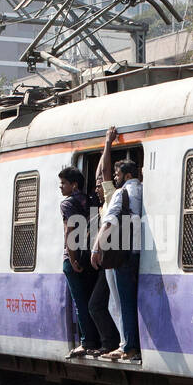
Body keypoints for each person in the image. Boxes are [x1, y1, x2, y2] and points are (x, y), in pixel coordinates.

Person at [92, 156, 143, 362]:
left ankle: (128, 346)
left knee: (124, 302)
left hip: (122, 254)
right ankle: (132, 344)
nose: (115, 177)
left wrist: (97, 247)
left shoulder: (121, 193)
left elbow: (110, 220)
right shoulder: (142, 190)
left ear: (127, 176)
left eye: (118, 174)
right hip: (138, 253)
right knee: (131, 300)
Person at [59, 166, 103, 358]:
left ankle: (87, 342)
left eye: (63, 183)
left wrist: (72, 258)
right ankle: (98, 339)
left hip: (75, 258)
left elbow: (70, 231)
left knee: (80, 302)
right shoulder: (92, 200)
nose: (60, 187)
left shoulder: (67, 204)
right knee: (90, 299)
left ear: (74, 184)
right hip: (90, 256)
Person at [87, 127, 122, 356]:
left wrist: (107, 144)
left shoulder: (111, 197)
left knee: (98, 305)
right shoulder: (103, 204)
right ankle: (111, 343)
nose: (97, 188)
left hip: (111, 260)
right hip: (107, 261)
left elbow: (104, 173)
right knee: (106, 304)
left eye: (99, 187)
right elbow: (101, 173)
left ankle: (111, 343)